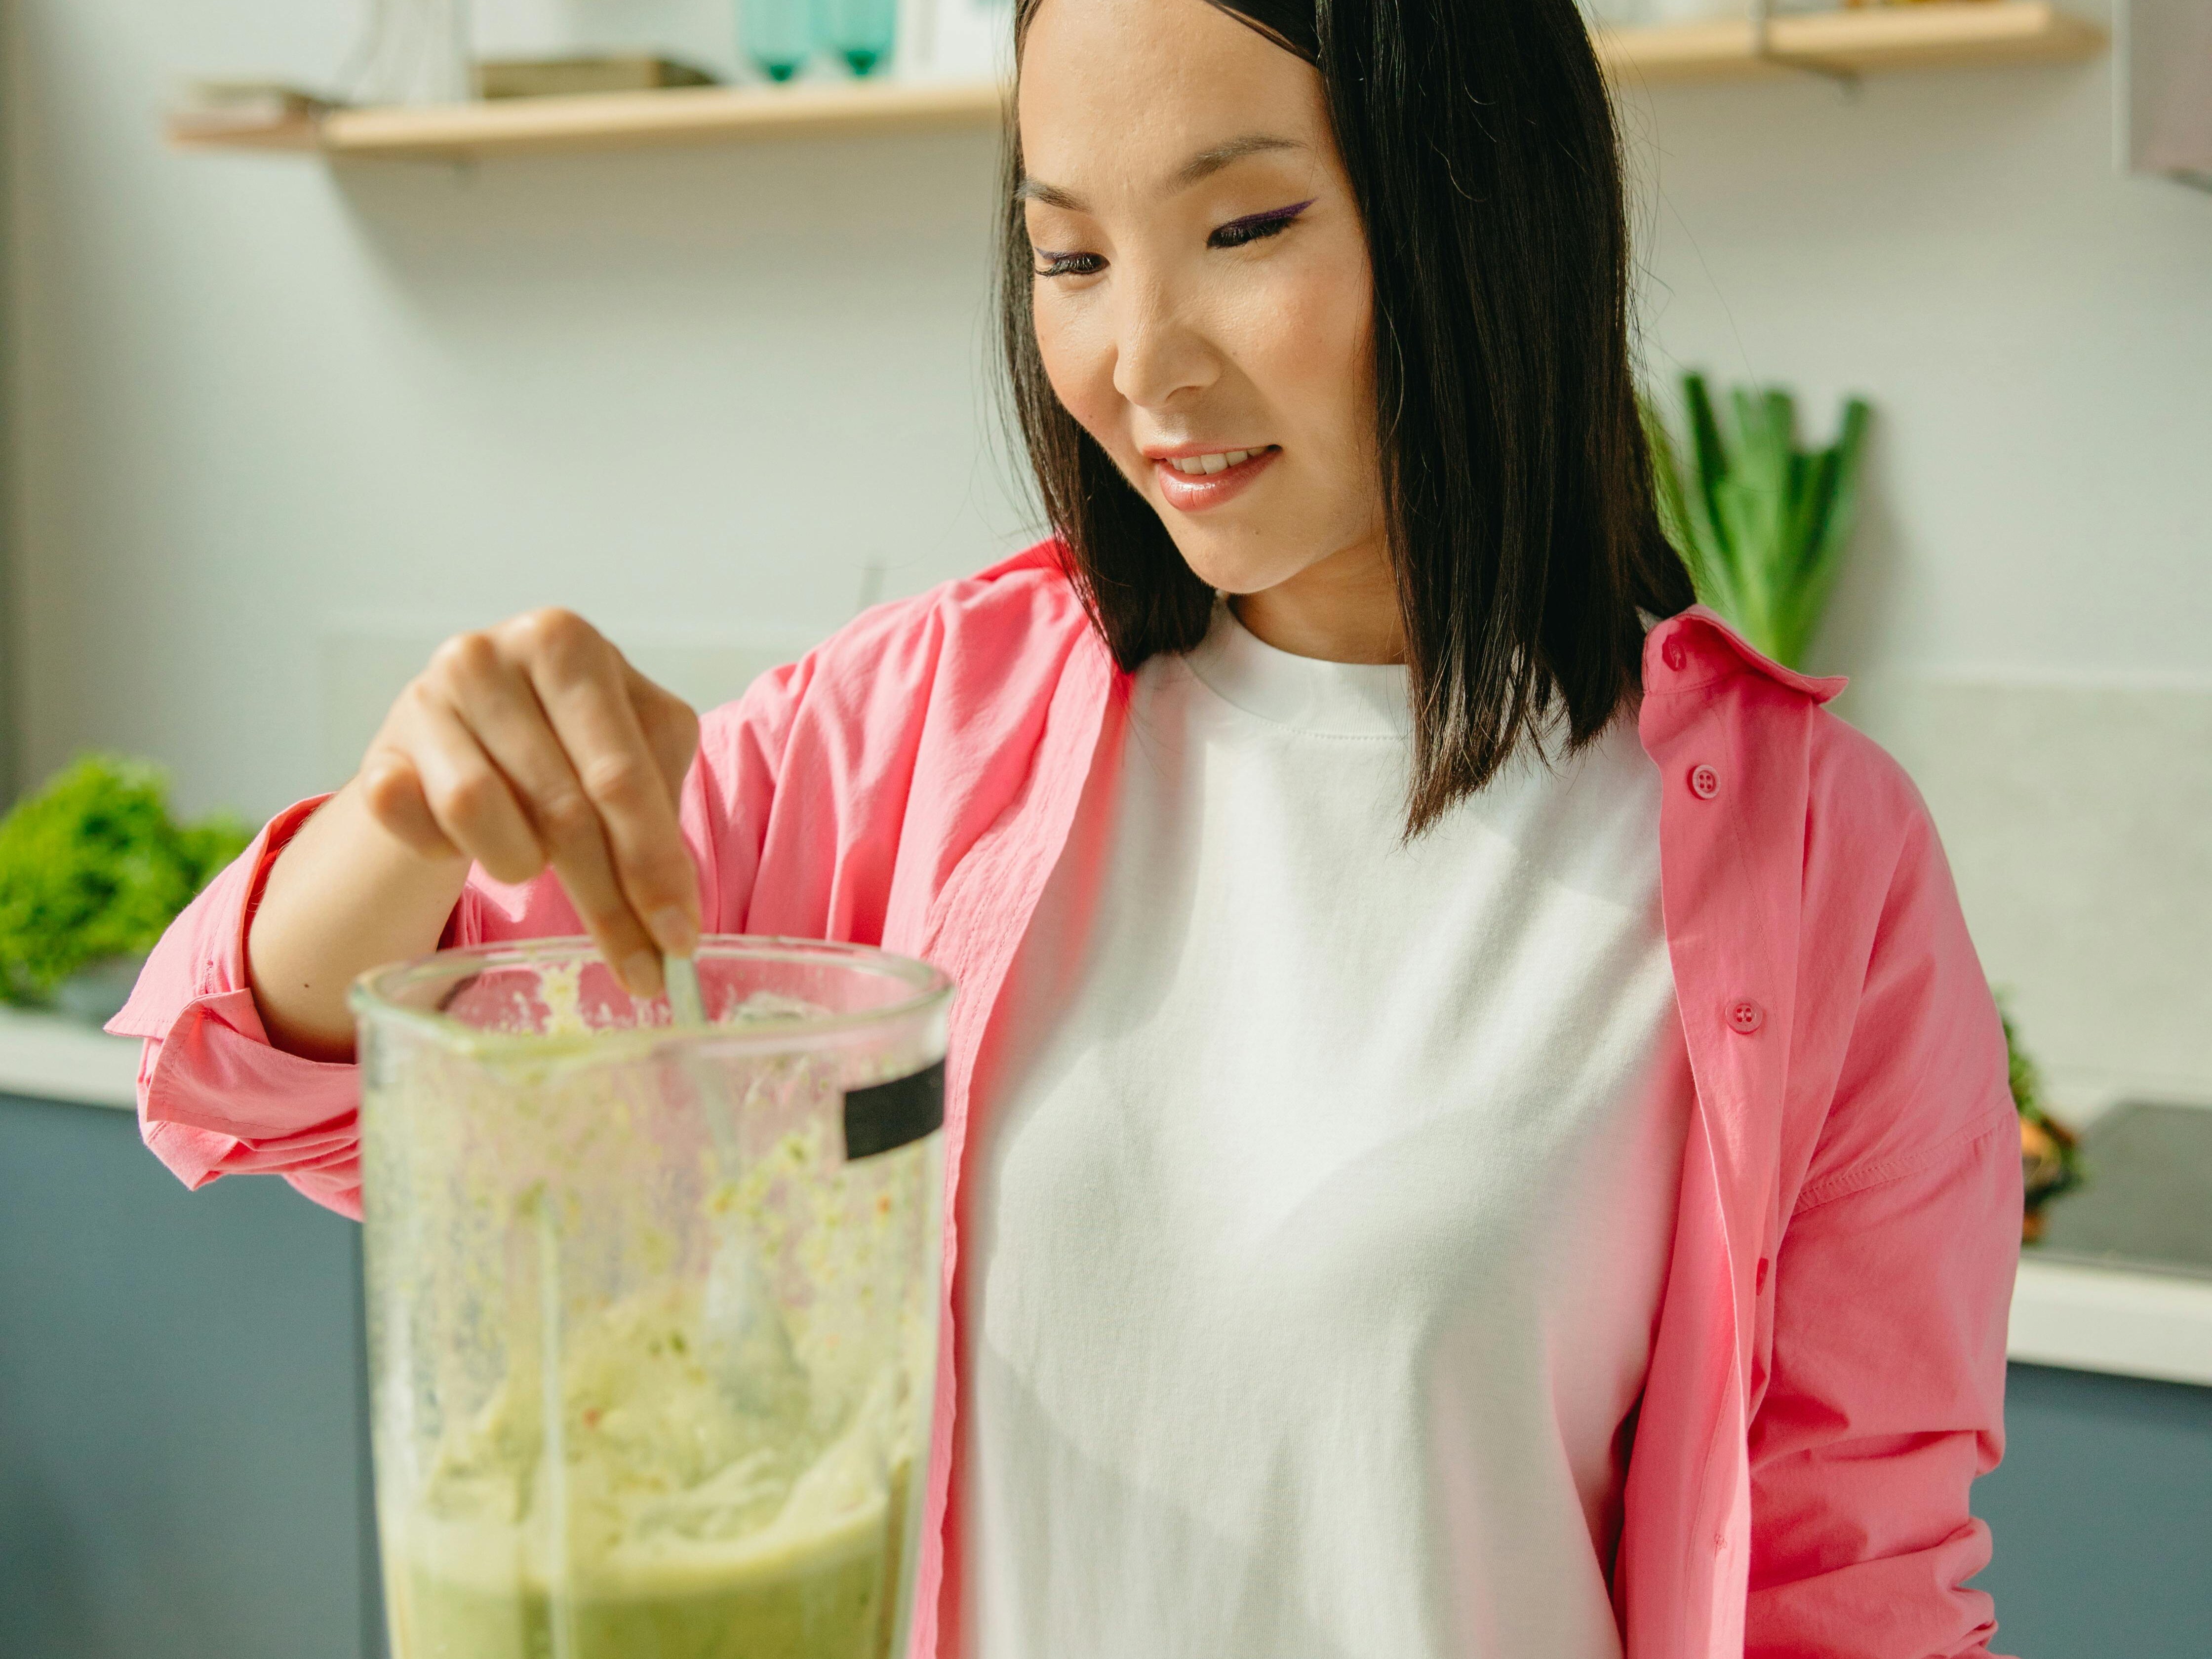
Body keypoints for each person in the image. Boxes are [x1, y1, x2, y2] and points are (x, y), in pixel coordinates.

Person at [116, 0, 2022, 1654]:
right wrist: (411, 813)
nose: (1141, 359)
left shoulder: (1812, 870)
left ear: (1485, 207)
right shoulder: (907, 741)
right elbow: (263, 1078)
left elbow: (1849, 1591)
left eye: (1245, 227)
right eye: (1072, 256)